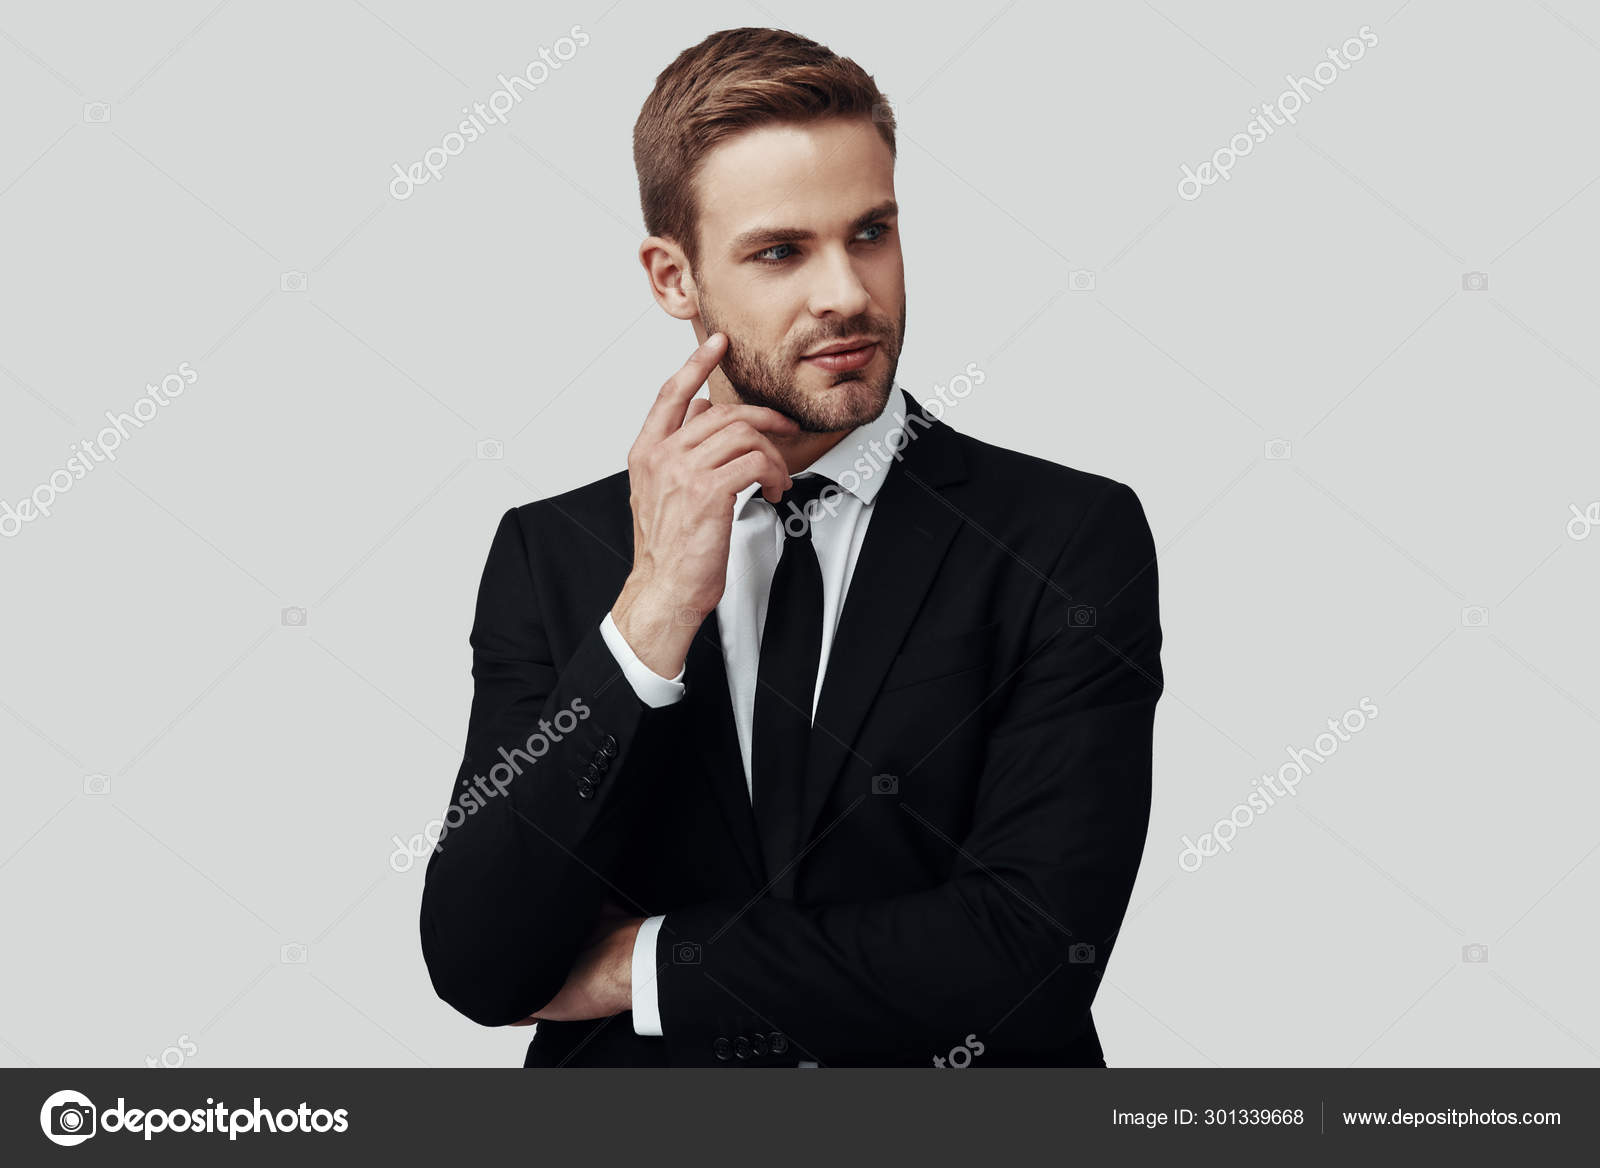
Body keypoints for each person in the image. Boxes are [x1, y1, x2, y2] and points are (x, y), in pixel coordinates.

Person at [420, 26, 1163, 1068]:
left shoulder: (1065, 535)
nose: (848, 294)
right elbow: (479, 961)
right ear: (672, 278)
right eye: (781, 252)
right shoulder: (557, 552)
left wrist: (648, 968)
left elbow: (1035, 949)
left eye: (871, 233)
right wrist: (652, 614)